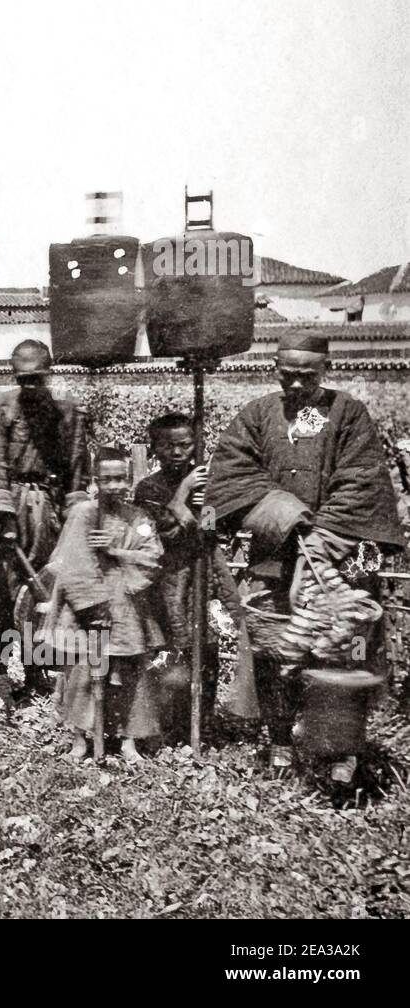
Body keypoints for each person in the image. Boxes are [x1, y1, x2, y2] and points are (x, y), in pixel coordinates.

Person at [206, 329, 402, 780]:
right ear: (276, 369)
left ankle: (340, 751)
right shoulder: (257, 414)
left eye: (306, 376)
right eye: (286, 375)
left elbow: (361, 480)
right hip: (276, 554)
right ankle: (278, 740)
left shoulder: (349, 413)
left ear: (325, 369)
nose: (295, 385)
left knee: (343, 649)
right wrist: (283, 512)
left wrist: (321, 535)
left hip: (342, 558)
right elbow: (232, 474)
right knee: (278, 652)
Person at [0, 339, 89, 699]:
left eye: (36, 379)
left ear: (49, 372)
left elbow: (76, 468)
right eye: (23, 379)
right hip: (10, 508)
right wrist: (3, 516)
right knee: (3, 593)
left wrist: (74, 516)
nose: (30, 387)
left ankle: (35, 668)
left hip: (51, 512)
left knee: (42, 593)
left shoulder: (68, 411)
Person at [132, 412, 245, 743]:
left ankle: (201, 720)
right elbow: (157, 532)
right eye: (168, 446)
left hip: (200, 576)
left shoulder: (205, 485)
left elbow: (211, 529)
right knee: (169, 649)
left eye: (184, 445)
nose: (177, 453)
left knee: (204, 648)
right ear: (155, 448)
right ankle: (167, 725)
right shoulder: (148, 487)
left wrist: (204, 507)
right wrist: (182, 495)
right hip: (166, 578)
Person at [48, 447, 164, 764]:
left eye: (121, 479)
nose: (114, 486)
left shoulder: (138, 518)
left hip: (125, 606)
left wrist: (117, 553)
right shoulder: (83, 514)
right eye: (107, 479)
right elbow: (69, 561)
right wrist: (91, 605)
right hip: (89, 610)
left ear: (129, 479)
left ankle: (128, 741)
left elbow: (152, 560)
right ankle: (80, 740)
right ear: (95, 481)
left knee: (130, 674)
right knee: (82, 673)